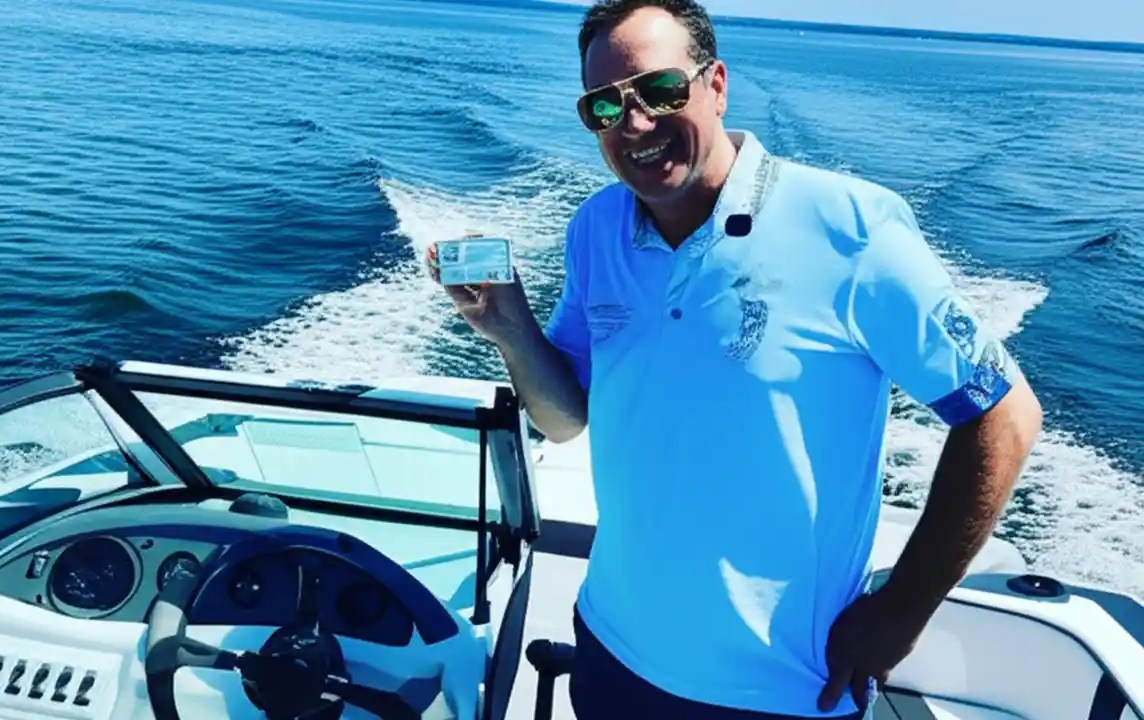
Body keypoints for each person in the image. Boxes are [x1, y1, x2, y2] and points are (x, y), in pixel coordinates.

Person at [429, 0, 1044, 717]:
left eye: (660, 91)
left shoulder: (850, 228)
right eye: (603, 107)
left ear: (715, 85)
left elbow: (1004, 415)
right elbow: (566, 420)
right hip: (611, 648)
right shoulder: (595, 229)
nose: (634, 125)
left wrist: (902, 612)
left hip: (781, 689)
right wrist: (510, 331)